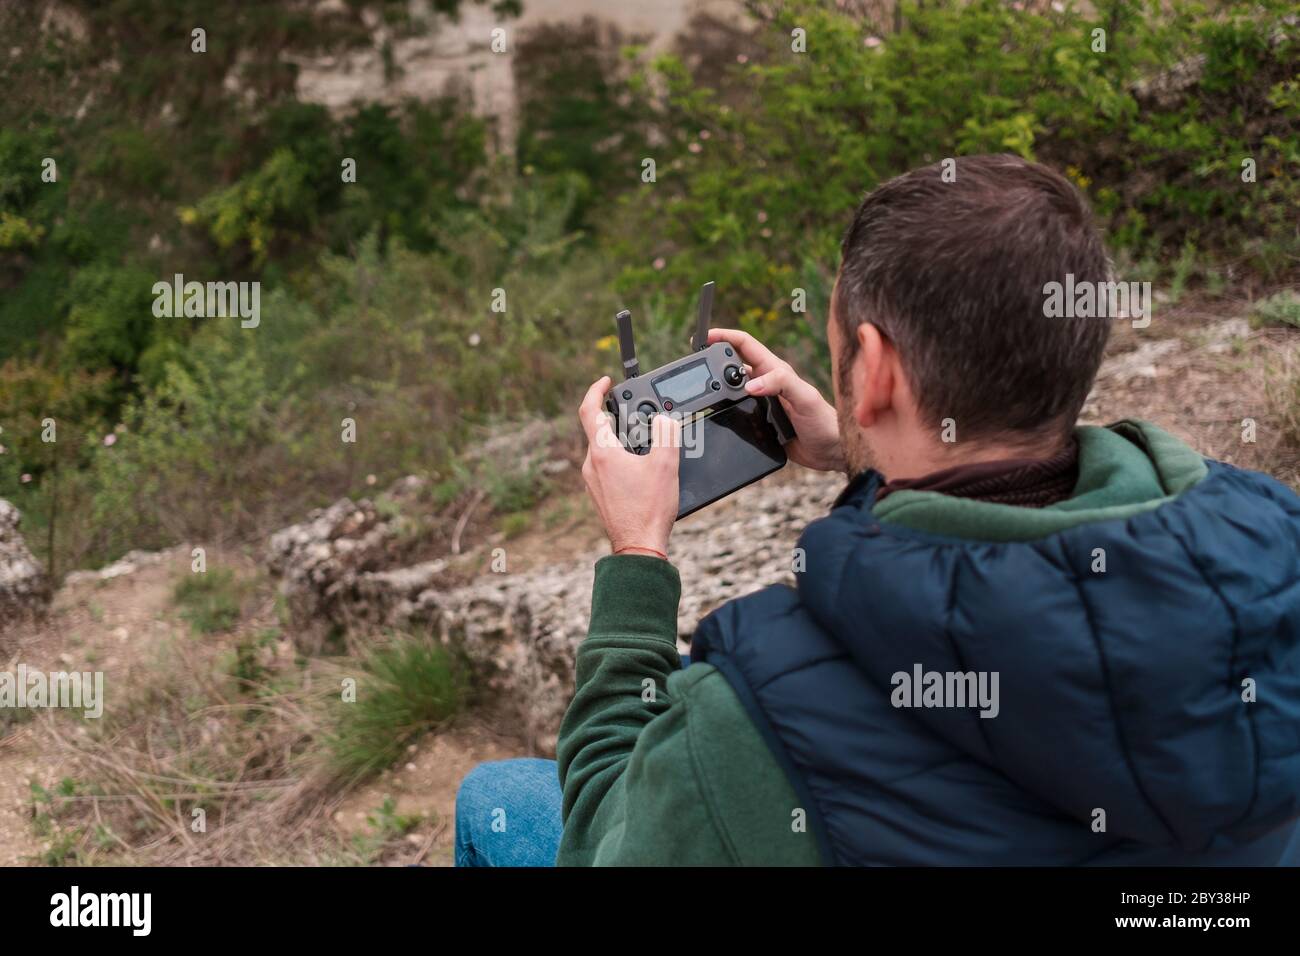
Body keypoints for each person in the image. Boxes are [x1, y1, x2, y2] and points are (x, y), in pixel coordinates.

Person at [455, 154, 1300, 867]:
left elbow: (609, 839)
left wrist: (638, 556)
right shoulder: (1267, 539)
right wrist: (855, 450)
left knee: (496, 797)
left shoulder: (756, 715)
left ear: (878, 367)